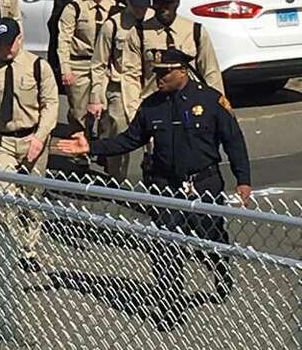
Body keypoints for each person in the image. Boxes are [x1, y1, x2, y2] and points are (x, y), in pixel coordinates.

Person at [54, 48, 251, 331]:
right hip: (166, 186)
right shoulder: (152, 106)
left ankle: (221, 269)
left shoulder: (210, 101)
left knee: (211, 238)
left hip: (203, 184)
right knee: (165, 246)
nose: (158, 78)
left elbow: (234, 141)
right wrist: (91, 147)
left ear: (182, 71)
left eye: (165, 73)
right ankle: (171, 304)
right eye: (156, 72)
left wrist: (243, 179)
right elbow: (128, 140)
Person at [0, 18, 59, 272]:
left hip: (32, 138)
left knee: (32, 198)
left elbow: (51, 104)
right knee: (3, 196)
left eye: (8, 43)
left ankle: (30, 247)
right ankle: (18, 247)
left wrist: (40, 137)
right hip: (1, 140)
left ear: (20, 39)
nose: (4, 48)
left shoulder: (38, 67)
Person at [88, 0, 153, 180]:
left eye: (144, 5)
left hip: (150, 89)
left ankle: (156, 181)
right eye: (136, 5)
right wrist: (96, 97)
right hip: (120, 89)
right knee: (119, 137)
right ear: (127, 0)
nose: (141, 10)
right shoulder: (113, 25)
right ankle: (116, 178)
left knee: (157, 139)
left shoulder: (154, 22)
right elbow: (98, 64)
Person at [124, 0, 223, 101]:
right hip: (154, 102)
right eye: (158, 3)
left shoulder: (195, 30)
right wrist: (134, 108)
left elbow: (211, 72)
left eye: (167, 3)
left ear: (177, 3)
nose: (163, 8)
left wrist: (217, 105)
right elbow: (130, 76)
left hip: (191, 101)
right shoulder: (139, 33)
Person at [57, 0, 121, 133]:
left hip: (105, 66)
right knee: (79, 112)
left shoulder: (115, 8)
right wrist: (65, 69)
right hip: (80, 65)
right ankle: (79, 141)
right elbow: (64, 40)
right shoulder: (75, 7)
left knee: (106, 110)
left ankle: (102, 145)